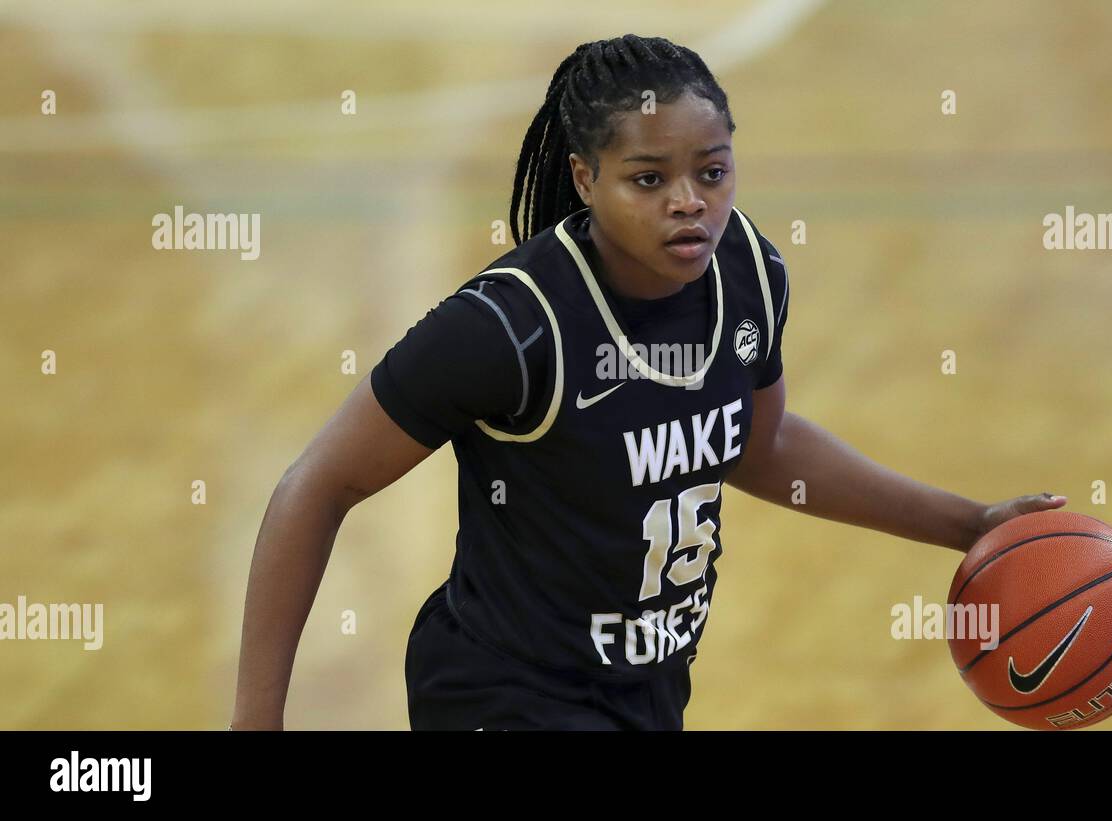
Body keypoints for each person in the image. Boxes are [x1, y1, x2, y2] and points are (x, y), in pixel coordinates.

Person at [230, 34, 1067, 731]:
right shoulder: (511, 326)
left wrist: (975, 526)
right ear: (587, 179)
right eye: (648, 179)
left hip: (650, 690)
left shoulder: (749, 273)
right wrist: (255, 721)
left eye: (712, 171)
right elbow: (318, 483)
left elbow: (763, 442)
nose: (689, 203)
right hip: (500, 691)